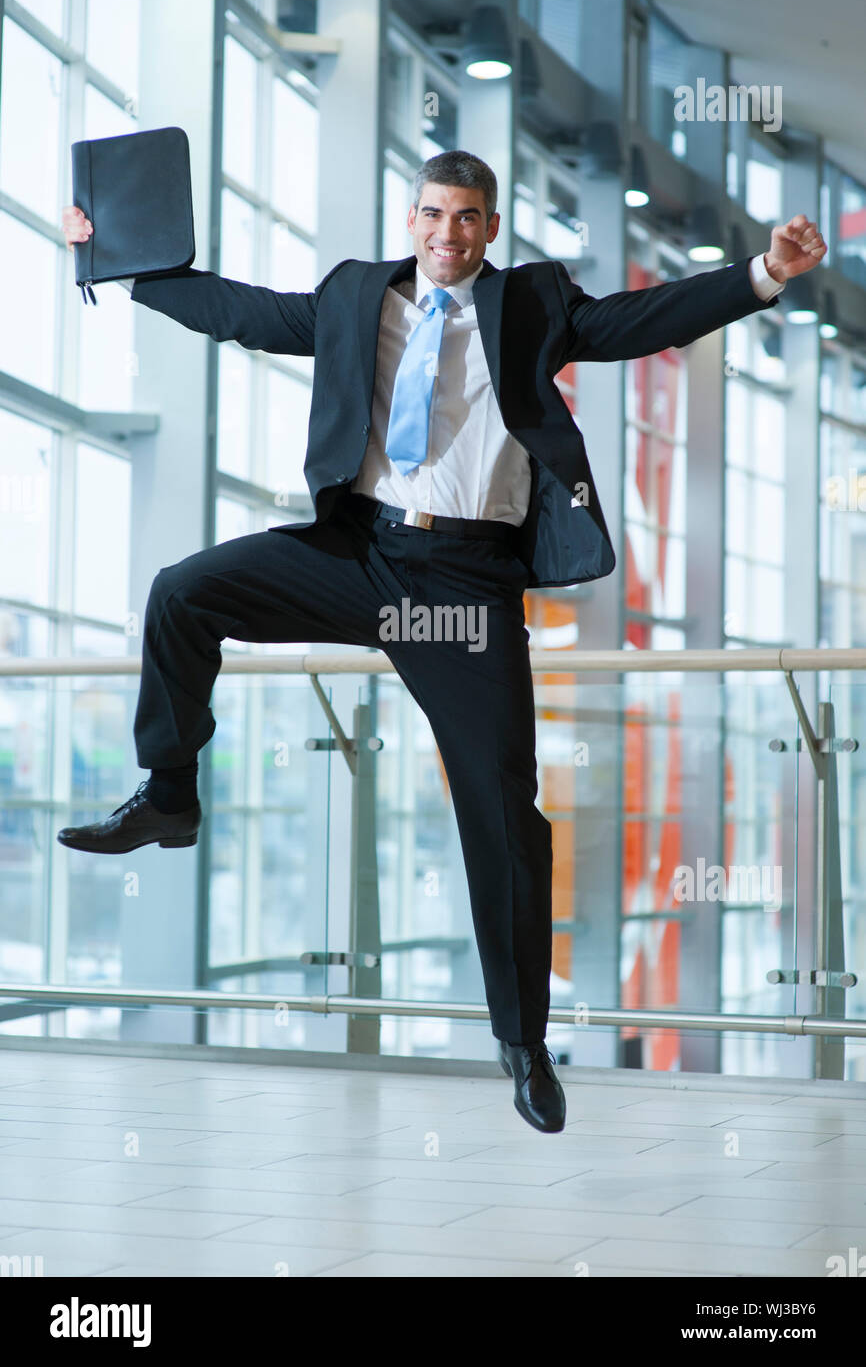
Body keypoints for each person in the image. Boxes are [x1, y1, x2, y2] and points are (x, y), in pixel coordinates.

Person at [58, 149, 826, 1133]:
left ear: (488, 229)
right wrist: (120, 259)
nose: (445, 233)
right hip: (360, 554)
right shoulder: (351, 298)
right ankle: (168, 794)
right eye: (431, 214)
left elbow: (635, 324)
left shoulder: (532, 304)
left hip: (463, 585)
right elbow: (243, 311)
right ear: (410, 216)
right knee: (182, 592)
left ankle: (521, 1044)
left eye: (465, 219)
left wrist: (759, 274)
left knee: (503, 809)